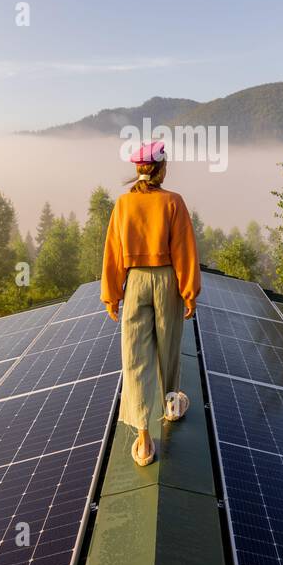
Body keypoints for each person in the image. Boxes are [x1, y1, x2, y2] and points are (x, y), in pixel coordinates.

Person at [101, 140, 201, 466]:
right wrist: (189, 291)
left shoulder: (123, 205)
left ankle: (143, 437)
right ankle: (171, 407)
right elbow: (185, 251)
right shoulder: (174, 202)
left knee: (134, 356)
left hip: (135, 282)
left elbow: (113, 253)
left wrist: (111, 294)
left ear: (138, 169)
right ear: (161, 168)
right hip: (167, 279)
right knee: (168, 346)